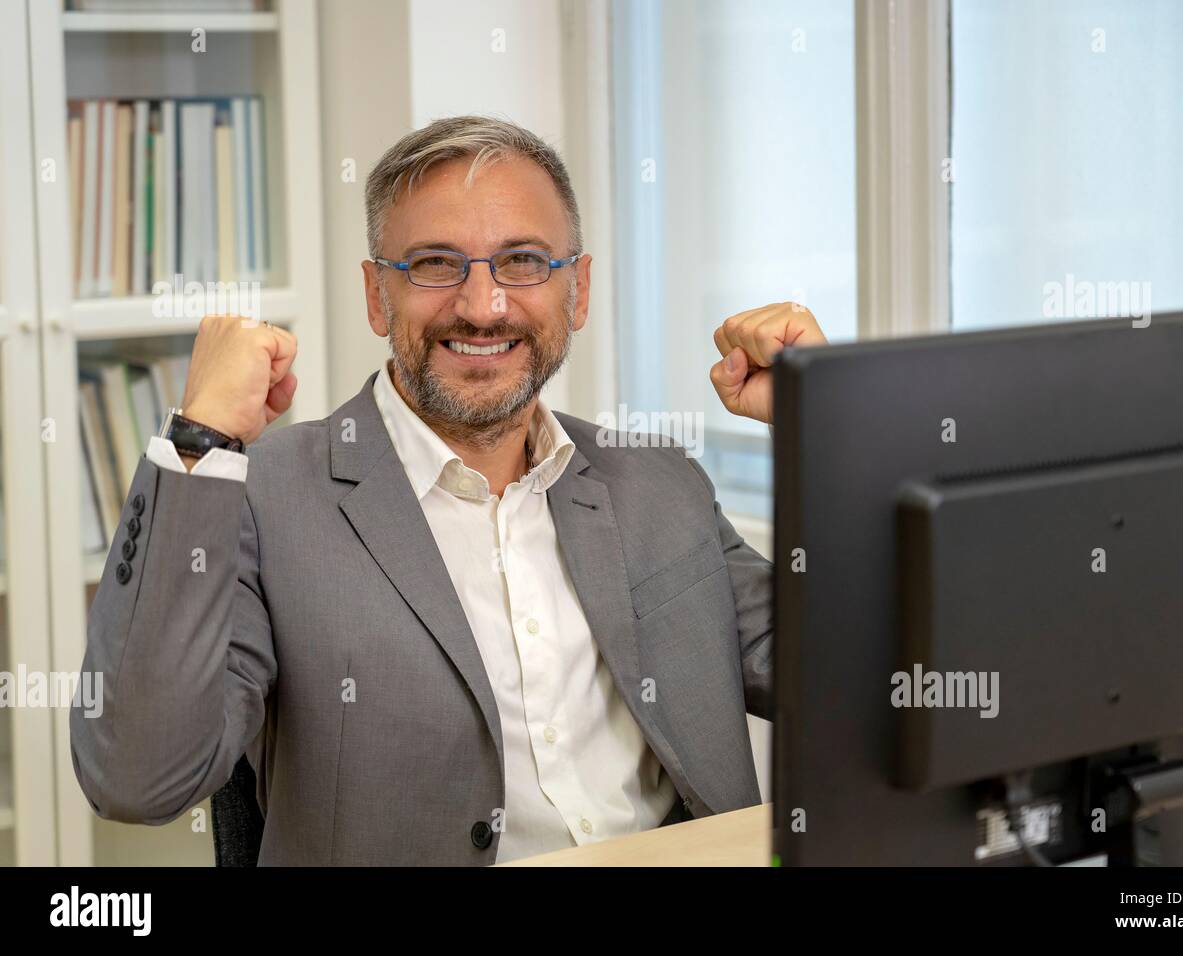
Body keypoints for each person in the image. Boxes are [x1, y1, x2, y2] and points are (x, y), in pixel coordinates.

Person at [72, 115, 828, 865]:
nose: (482, 304)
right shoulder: (264, 497)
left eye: (523, 261)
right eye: (435, 264)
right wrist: (200, 441)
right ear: (377, 296)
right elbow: (139, 776)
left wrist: (828, 420)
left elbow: (864, 679)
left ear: (580, 289)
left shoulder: (659, 479)